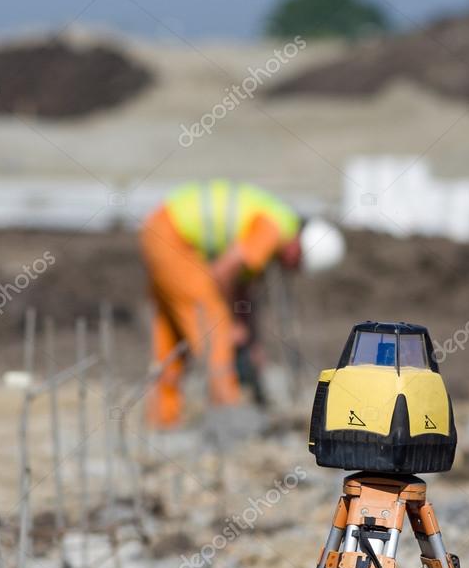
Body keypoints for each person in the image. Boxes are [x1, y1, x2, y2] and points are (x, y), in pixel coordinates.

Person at [140, 179, 344, 428]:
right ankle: (228, 418)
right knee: (214, 328)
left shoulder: (275, 223)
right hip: (173, 235)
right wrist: (232, 323)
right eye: (297, 263)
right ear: (298, 246)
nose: (291, 269)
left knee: (171, 333)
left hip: (161, 226)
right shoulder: (272, 230)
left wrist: (250, 338)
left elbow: (242, 291)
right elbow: (223, 272)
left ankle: (162, 419)